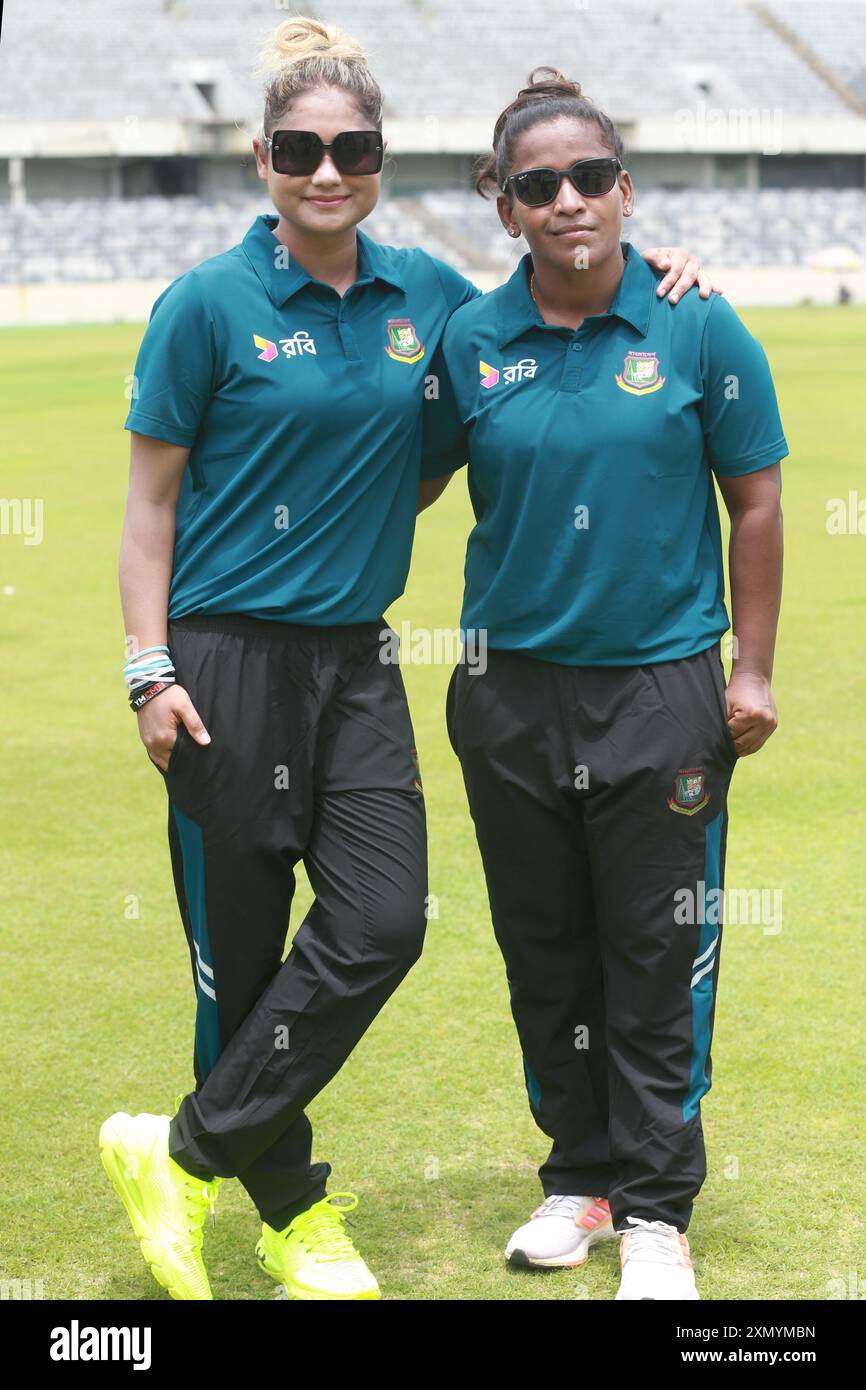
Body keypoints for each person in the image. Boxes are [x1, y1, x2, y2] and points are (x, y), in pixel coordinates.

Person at [99, 17, 713, 1303]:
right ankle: (290, 1210)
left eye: (353, 148)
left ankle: (182, 1148)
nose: (327, 171)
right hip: (221, 663)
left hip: (359, 663)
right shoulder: (205, 303)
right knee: (249, 954)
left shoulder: (429, 297)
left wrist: (653, 265)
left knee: (382, 923)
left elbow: (539, 308)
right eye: (301, 149)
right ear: (262, 157)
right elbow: (148, 501)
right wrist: (149, 669)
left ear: (380, 158)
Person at [420, 69, 786, 1301]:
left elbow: (757, 499)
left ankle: (655, 1213)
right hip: (506, 692)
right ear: (505, 205)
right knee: (546, 952)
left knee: (657, 950)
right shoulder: (469, 339)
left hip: (660, 692)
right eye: (537, 185)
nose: (567, 199)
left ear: (623, 189)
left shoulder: (695, 323)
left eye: (588, 177)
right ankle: (577, 1180)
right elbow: (398, 475)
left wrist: (751, 667)